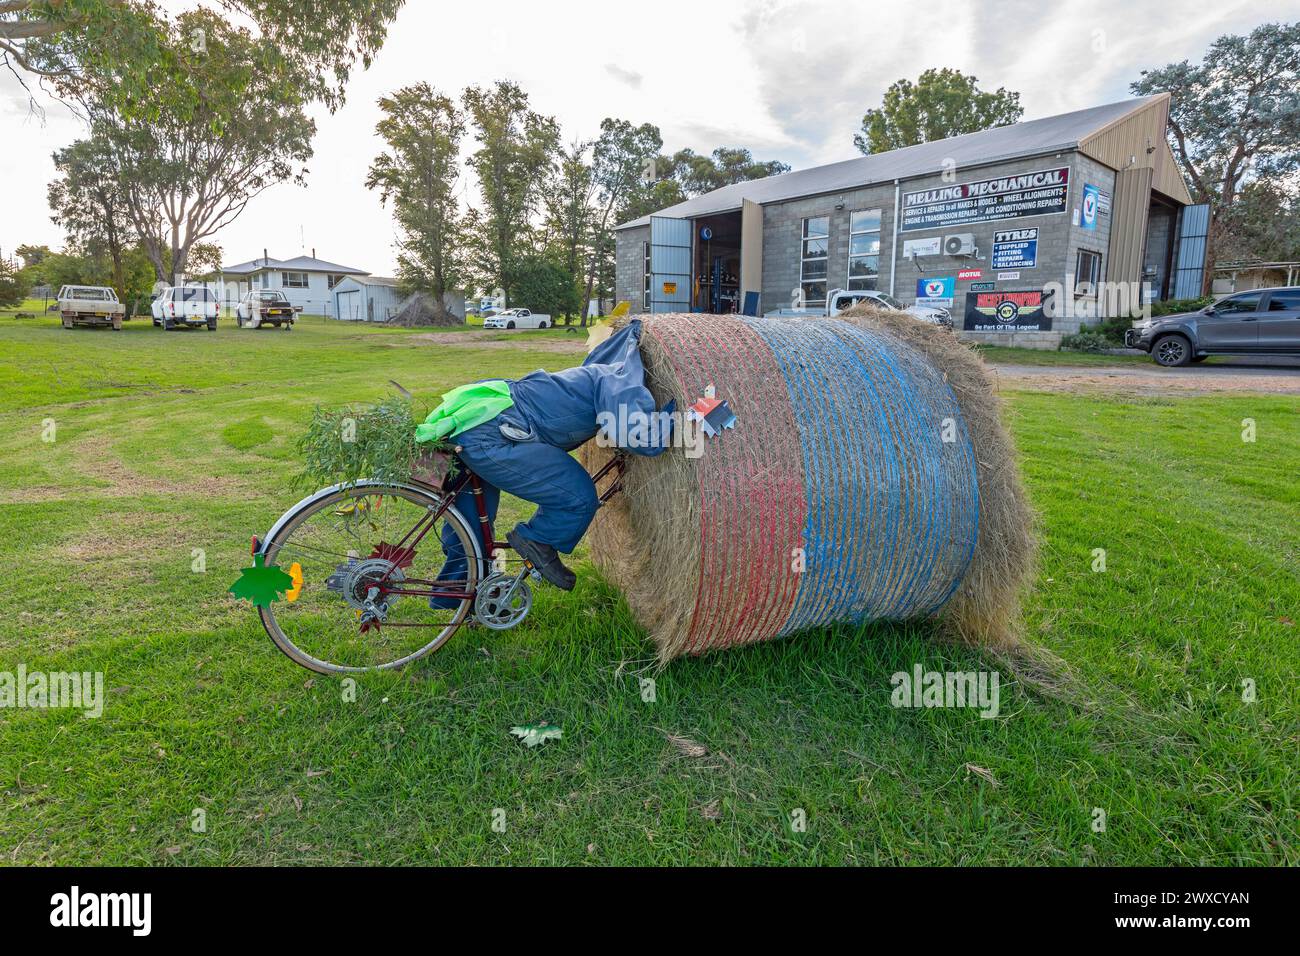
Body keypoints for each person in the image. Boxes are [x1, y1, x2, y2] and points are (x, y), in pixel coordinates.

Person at [415, 319, 668, 597]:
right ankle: (536, 540)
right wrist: (678, 419)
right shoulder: (619, 380)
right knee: (578, 496)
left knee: (473, 525)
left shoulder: (593, 373)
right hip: (494, 431)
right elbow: (639, 435)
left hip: (476, 414)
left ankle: (456, 601)